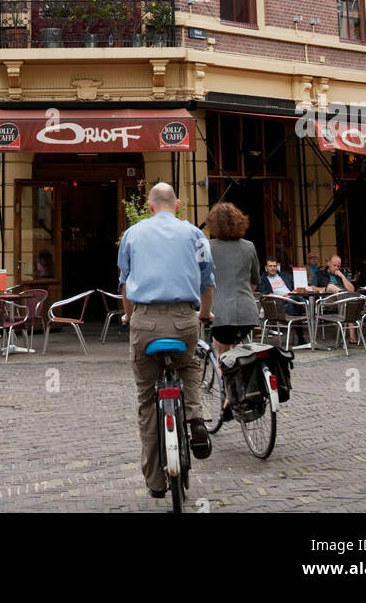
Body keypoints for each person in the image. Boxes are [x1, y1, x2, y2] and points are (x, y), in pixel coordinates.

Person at [117, 182, 215, 497]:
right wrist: (205, 315)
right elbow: (207, 281)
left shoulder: (132, 234)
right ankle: (196, 417)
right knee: (189, 366)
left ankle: (156, 483)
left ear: (149, 207)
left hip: (145, 319)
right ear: (178, 205)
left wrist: (129, 317)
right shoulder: (195, 234)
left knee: (147, 399)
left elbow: (125, 284)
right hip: (184, 318)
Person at [207, 204, 261, 411]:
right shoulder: (249, 246)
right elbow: (255, 279)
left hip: (219, 312)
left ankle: (229, 396)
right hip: (247, 311)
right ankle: (248, 388)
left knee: (222, 353)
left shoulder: (208, 246)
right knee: (238, 351)